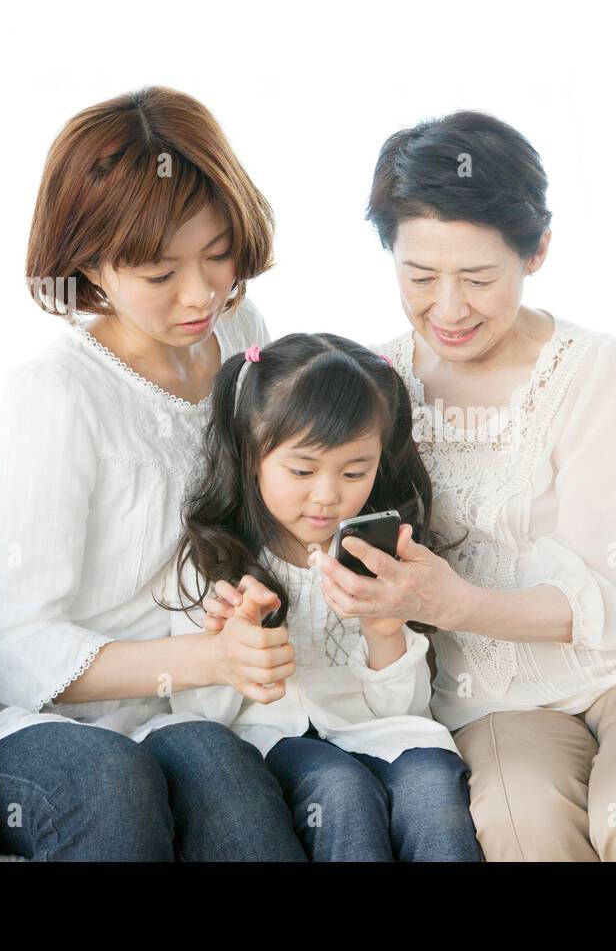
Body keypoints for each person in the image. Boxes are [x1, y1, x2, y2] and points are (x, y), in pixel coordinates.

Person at [206, 110, 616, 861]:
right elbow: (289, 505)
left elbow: (614, 598)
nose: (450, 308)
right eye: (420, 277)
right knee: (520, 821)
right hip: (493, 690)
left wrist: (447, 602)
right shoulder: (374, 381)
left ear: (538, 253)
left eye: (479, 278)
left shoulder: (592, 371)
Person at [0, 86, 304, 861]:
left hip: (178, 704)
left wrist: (248, 600)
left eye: (218, 254)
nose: (200, 294)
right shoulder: (58, 393)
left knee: (234, 796)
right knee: (111, 786)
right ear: (90, 262)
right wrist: (209, 658)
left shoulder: (242, 333)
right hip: (32, 713)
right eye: (159, 273)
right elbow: (10, 643)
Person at [165, 332, 481, 861]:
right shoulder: (216, 560)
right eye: (302, 471)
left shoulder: (382, 554)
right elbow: (202, 719)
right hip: (273, 742)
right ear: (251, 456)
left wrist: (385, 633)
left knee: (432, 788)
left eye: (355, 472)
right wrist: (230, 650)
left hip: (379, 735)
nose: (327, 495)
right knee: (340, 789)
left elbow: (404, 711)